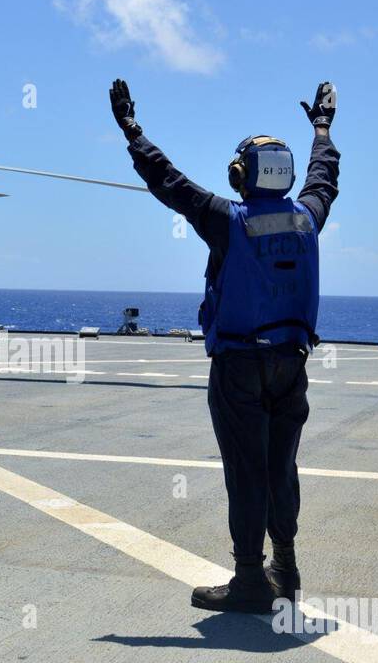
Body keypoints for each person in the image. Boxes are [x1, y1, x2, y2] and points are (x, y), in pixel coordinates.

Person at [109, 78, 339, 613]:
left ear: (241, 175)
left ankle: (251, 580)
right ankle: (287, 565)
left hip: (239, 365)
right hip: (291, 363)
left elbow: (168, 181)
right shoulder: (308, 217)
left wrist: (131, 129)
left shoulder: (226, 220)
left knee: (246, 471)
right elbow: (324, 178)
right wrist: (322, 128)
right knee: (282, 466)